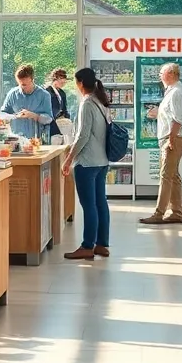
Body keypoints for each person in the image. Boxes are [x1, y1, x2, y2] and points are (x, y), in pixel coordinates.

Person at [61, 68, 111, 261]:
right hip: (102, 161)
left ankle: (87, 246)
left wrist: (68, 159)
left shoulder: (87, 103)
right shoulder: (101, 102)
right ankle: (101, 244)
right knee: (100, 203)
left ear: (80, 83)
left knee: (89, 205)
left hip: (87, 162)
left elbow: (82, 136)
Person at [140, 62, 182, 225]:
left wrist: (171, 139)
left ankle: (159, 213)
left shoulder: (177, 92)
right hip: (171, 137)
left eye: (161, 73)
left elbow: (179, 118)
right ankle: (177, 212)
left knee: (165, 175)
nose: (159, 76)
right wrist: (159, 113)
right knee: (173, 176)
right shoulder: (171, 92)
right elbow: (172, 115)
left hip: (173, 138)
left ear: (170, 74)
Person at [0, 64, 53, 140]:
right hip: (16, 140)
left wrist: (35, 116)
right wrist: (15, 116)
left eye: (24, 84)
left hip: (37, 141)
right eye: (19, 84)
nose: (22, 87)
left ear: (32, 79)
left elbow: (49, 119)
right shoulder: (12, 94)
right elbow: (2, 115)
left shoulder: (44, 95)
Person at [43, 69, 70, 139]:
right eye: (62, 79)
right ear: (56, 78)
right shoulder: (46, 92)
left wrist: (65, 117)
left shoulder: (62, 93)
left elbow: (64, 109)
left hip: (61, 123)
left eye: (64, 79)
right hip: (50, 123)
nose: (64, 82)